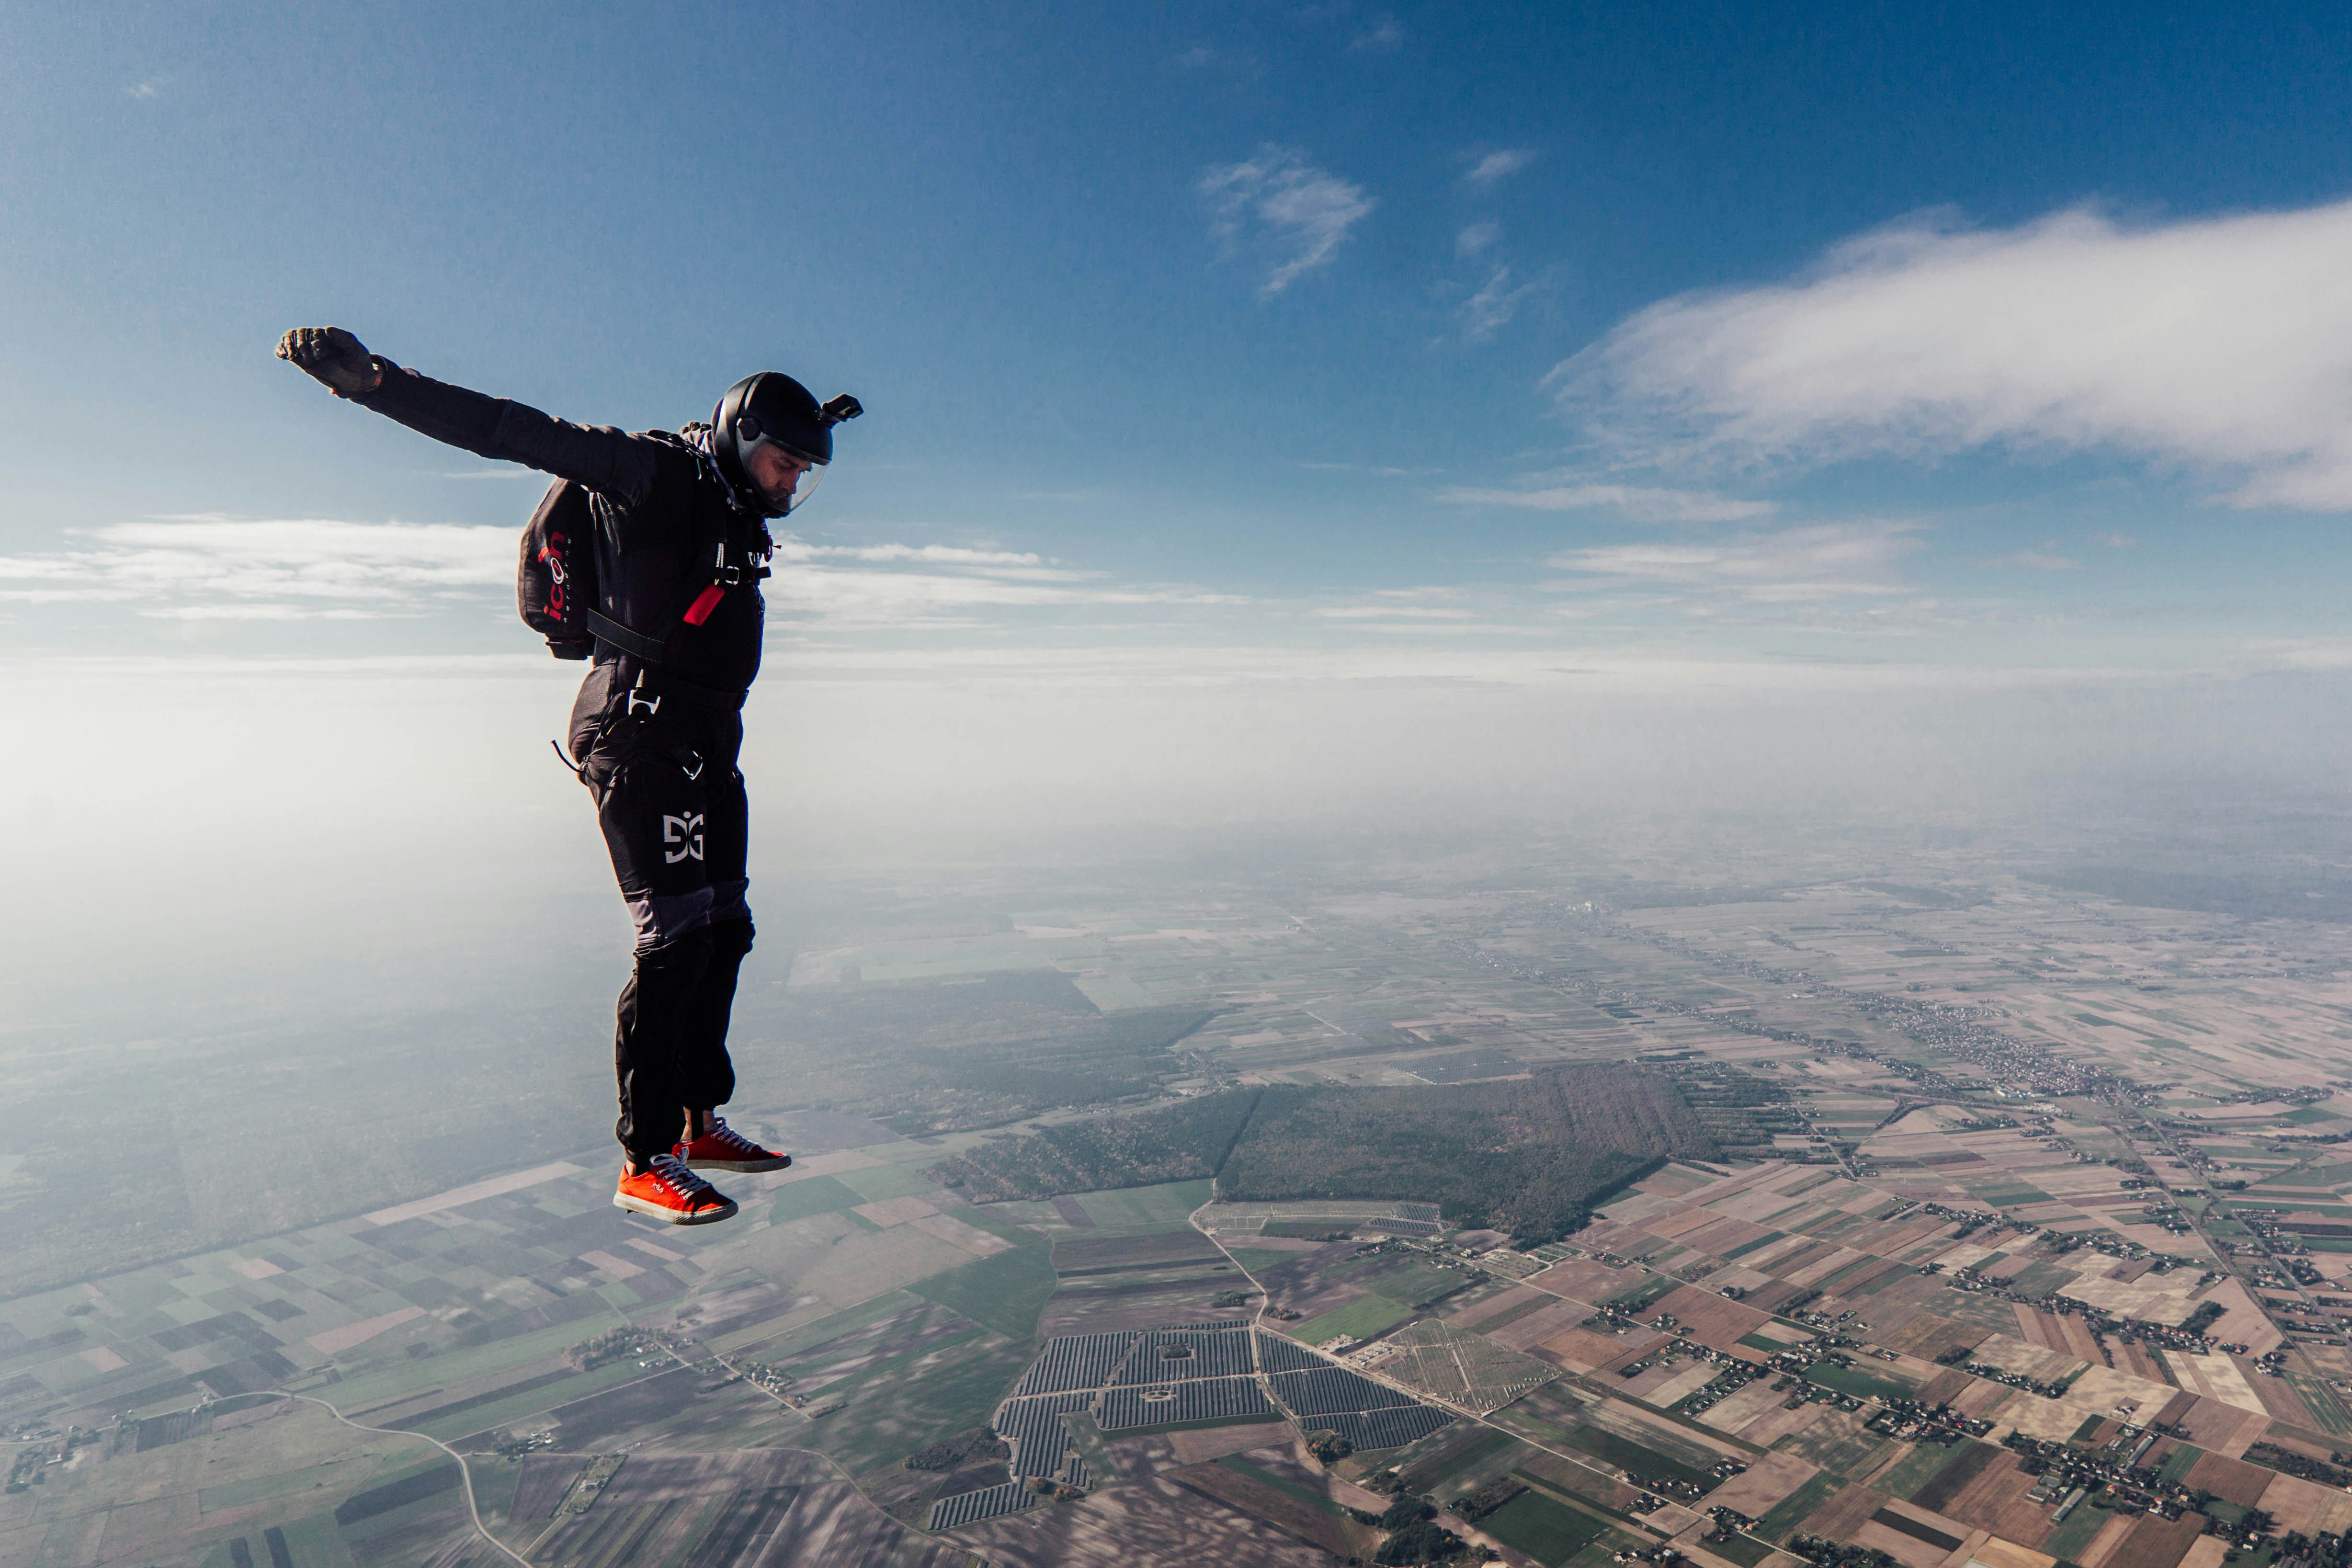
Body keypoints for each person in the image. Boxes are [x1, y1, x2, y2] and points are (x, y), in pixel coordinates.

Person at [277, 326, 859, 1225]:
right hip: (640, 737)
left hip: (707, 742)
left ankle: (703, 1119)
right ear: (743, 439)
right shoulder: (648, 472)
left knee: (726, 929)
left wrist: (816, 423)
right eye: (785, 464)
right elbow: (508, 428)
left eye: (801, 472)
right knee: (674, 941)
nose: (791, 485)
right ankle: (645, 1156)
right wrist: (372, 383)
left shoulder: (734, 496)